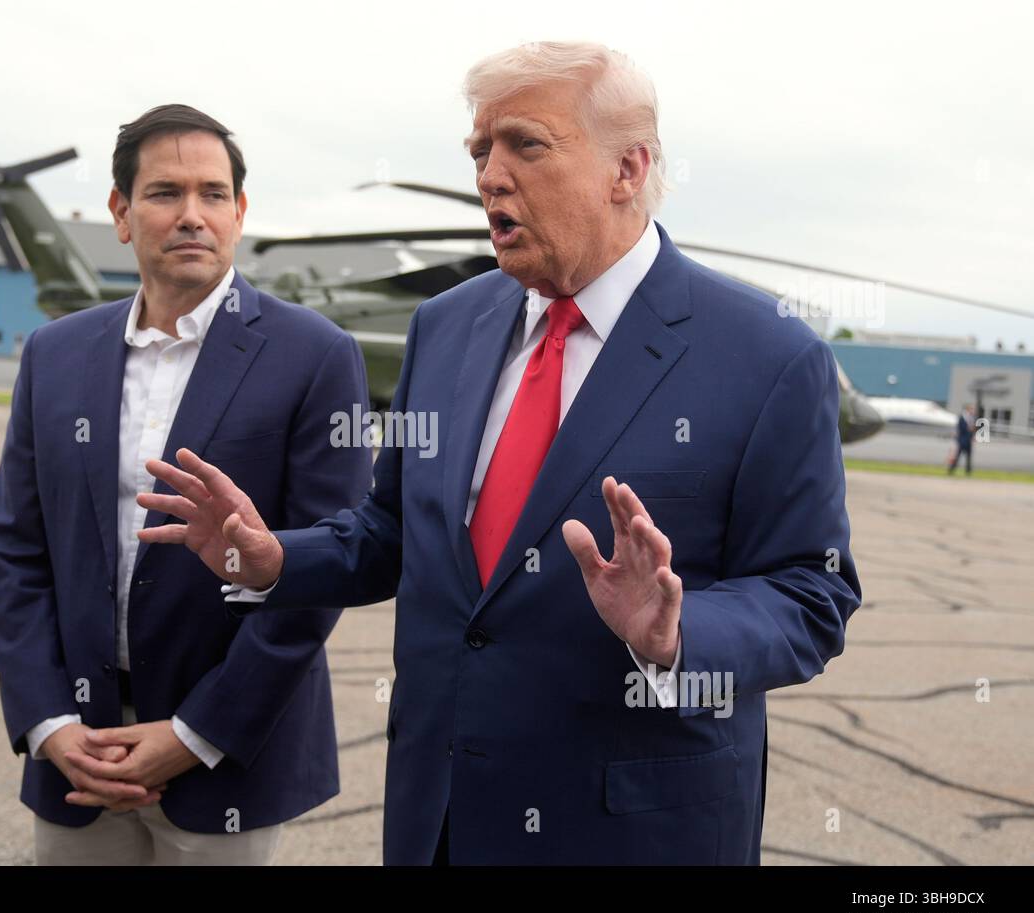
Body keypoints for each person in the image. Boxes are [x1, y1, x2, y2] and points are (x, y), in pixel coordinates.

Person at [139, 42, 861, 865]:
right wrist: (272, 560)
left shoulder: (768, 355)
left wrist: (678, 631)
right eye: (481, 150)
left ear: (627, 168)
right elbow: (392, 532)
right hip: (439, 817)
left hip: (633, 829)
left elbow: (812, 593)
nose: (489, 175)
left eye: (525, 144)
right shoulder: (445, 327)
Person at [0, 104, 372, 865]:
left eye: (213, 194)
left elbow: (324, 567)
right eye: (164, 194)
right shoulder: (54, 354)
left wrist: (198, 734)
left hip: (228, 757)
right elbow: (14, 549)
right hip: (77, 755)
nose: (192, 215)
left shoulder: (316, 356)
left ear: (240, 212)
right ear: (121, 215)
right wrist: (50, 723)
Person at [948, 403, 976, 474]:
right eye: (971, 409)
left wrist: (972, 436)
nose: (973, 411)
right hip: (962, 441)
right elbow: (960, 429)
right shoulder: (962, 418)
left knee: (969, 457)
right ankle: (952, 470)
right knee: (958, 456)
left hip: (968, 441)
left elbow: (972, 429)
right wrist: (969, 429)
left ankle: (968, 471)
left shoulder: (972, 418)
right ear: (967, 409)